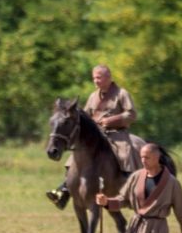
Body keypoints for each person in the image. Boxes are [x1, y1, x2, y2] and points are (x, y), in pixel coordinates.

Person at [47, 64, 140, 209]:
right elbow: (85, 116)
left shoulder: (122, 94)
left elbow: (132, 114)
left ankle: (129, 185)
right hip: (96, 135)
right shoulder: (93, 96)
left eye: (99, 78)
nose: (96, 81)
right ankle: (64, 190)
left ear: (108, 77)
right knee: (75, 157)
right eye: (94, 78)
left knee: (123, 153)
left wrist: (111, 120)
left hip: (116, 133)